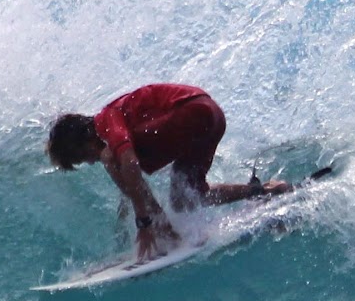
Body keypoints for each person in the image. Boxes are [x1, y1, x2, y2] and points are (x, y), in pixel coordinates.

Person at [46, 83, 289, 260]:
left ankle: (166, 231)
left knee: (113, 157)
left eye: (81, 157)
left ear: (84, 141)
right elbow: (131, 183)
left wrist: (143, 222)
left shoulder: (105, 120)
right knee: (187, 197)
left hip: (192, 114)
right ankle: (264, 190)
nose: (89, 162)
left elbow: (129, 164)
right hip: (211, 115)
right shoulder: (115, 120)